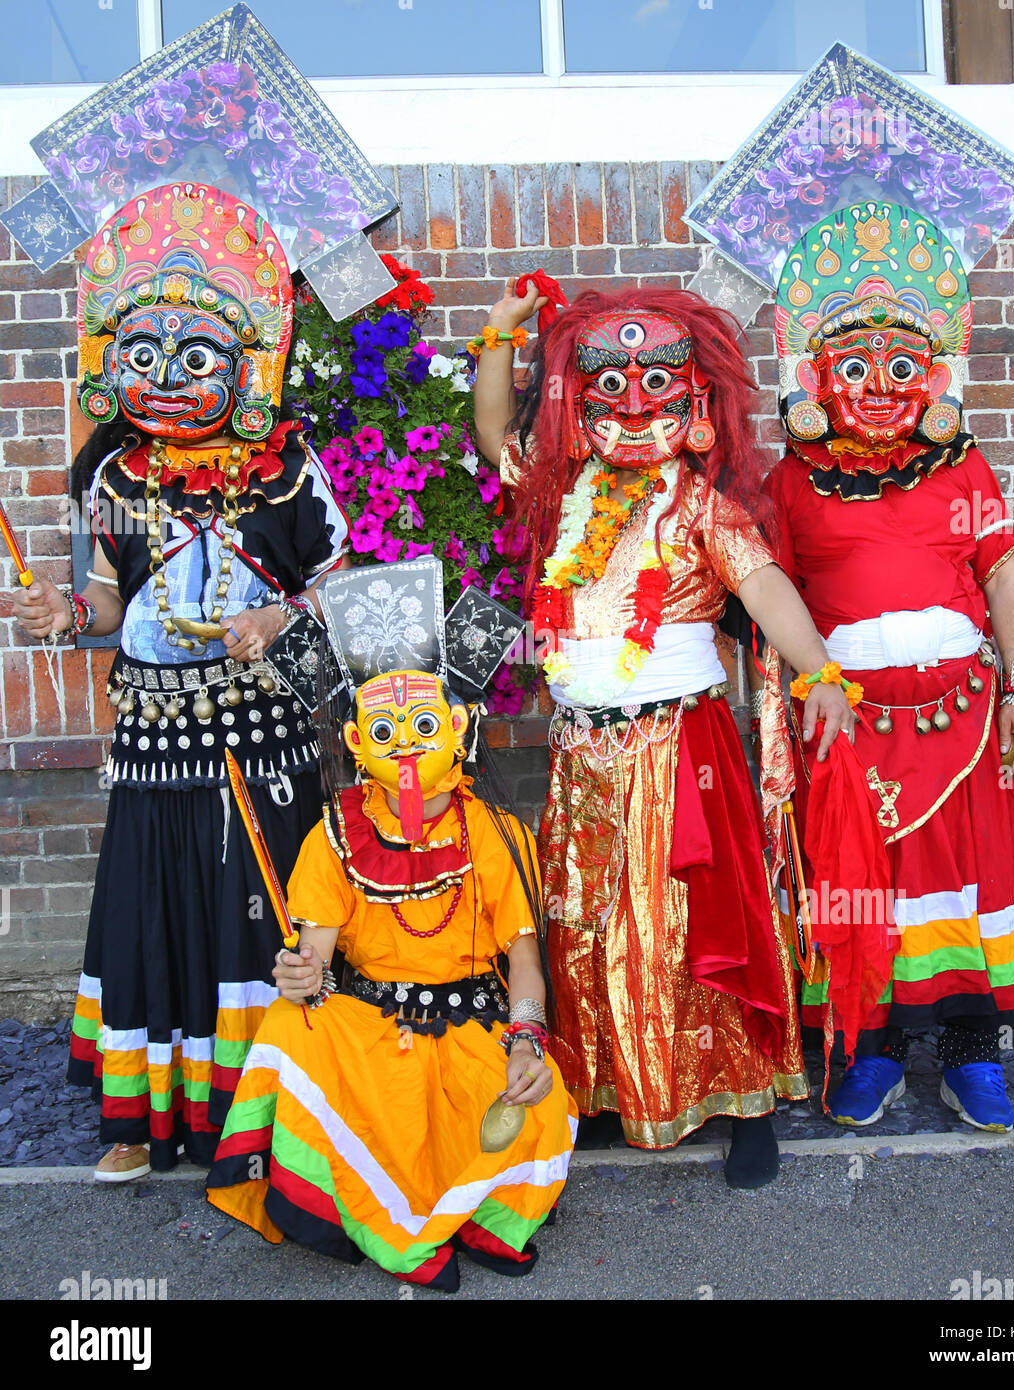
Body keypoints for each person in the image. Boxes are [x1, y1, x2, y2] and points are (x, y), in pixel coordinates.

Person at [473, 280, 854, 1188]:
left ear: (695, 409)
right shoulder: (562, 492)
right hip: (582, 756)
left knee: (692, 926)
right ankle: (609, 1090)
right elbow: (492, 436)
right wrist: (498, 335)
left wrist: (824, 672)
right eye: (609, 394)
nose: (634, 413)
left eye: (660, 396)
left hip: (679, 750)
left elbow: (766, 591)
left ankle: (745, 1099)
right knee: (592, 925)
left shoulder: (703, 508)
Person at [12, 184, 349, 1180]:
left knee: (261, 903)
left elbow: (345, 591)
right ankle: (143, 1119)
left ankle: (259, 1115)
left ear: (246, 365)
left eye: (194, 356)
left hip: (262, 727)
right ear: (112, 364)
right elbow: (111, 600)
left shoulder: (290, 473)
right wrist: (67, 617)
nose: (163, 379)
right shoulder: (114, 477)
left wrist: (280, 614)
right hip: (157, 726)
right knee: (151, 899)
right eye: (141, 356)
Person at [765, 201, 1014, 1131]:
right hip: (851, 726)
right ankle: (876, 1046)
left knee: (969, 877)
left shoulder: (961, 469)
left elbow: (1004, 574)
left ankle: (975, 1051)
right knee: (871, 884)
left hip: (963, 717)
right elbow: (765, 599)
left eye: (903, 367)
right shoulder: (789, 481)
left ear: (931, 377)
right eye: (856, 368)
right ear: (819, 377)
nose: (883, 386)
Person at [206, 666, 575, 1292]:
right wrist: (299, 975)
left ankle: (465, 1211)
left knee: (537, 1107)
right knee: (288, 1024)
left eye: (423, 725)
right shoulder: (334, 835)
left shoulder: (496, 832)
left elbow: (525, 963)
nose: (404, 743)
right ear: (355, 741)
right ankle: (376, 1214)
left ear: (457, 731)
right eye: (384, 729)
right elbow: (314, 954)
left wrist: (525, 1043)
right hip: (374, 1028)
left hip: (472, 1028)